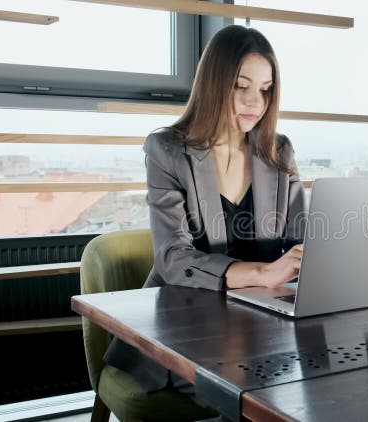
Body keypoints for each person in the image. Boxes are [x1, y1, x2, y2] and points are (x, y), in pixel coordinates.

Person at [103, 24, 307, 396]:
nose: (254, 102)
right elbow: (173, 259)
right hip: (184, 323)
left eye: (265, 90)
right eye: (240, 86)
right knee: (251, 386)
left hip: (257, 320)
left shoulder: (278, 152)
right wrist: (263, 272)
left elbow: (300, 243)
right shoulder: (167, 149)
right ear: (215, 83)